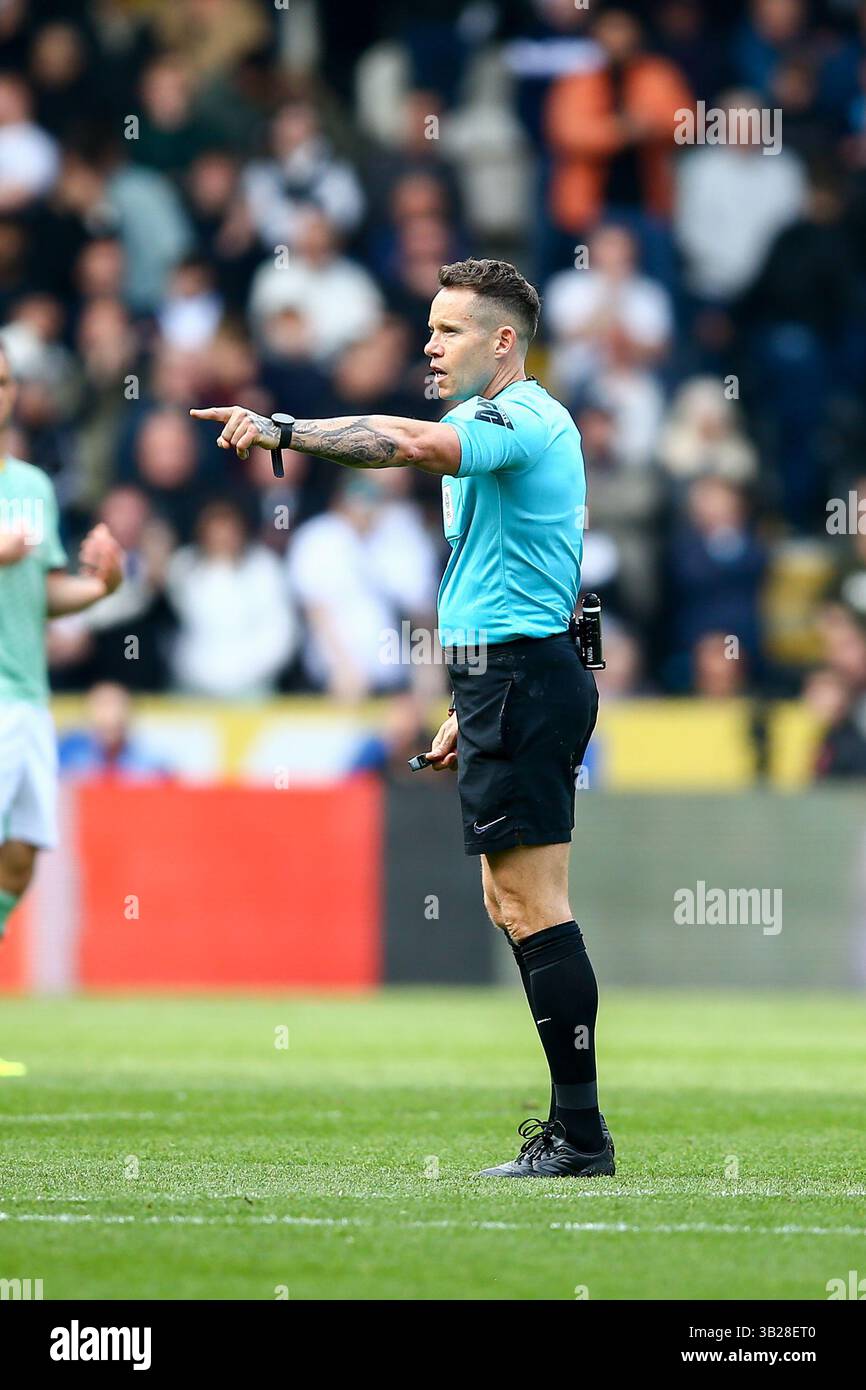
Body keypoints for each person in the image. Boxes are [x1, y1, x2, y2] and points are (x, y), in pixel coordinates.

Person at [191, 257, 614, 1179]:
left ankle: (582, 1137)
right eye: (428, 326)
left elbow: (411, 446)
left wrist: (286, 430)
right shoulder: (488, 421)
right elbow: (516, 572)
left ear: (504, 342)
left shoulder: (520, 418)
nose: (429, 343)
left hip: (526, 677)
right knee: (510, 901)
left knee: (535, 904)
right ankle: (573, 1129)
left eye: (448, 328)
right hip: (505, 676)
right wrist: (469, 697)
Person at [0, 345, 124, 1071]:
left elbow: (41, 595)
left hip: (26, 694)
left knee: (18, 861)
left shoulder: (31, 486)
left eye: (6, 381)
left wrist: (100, 586)